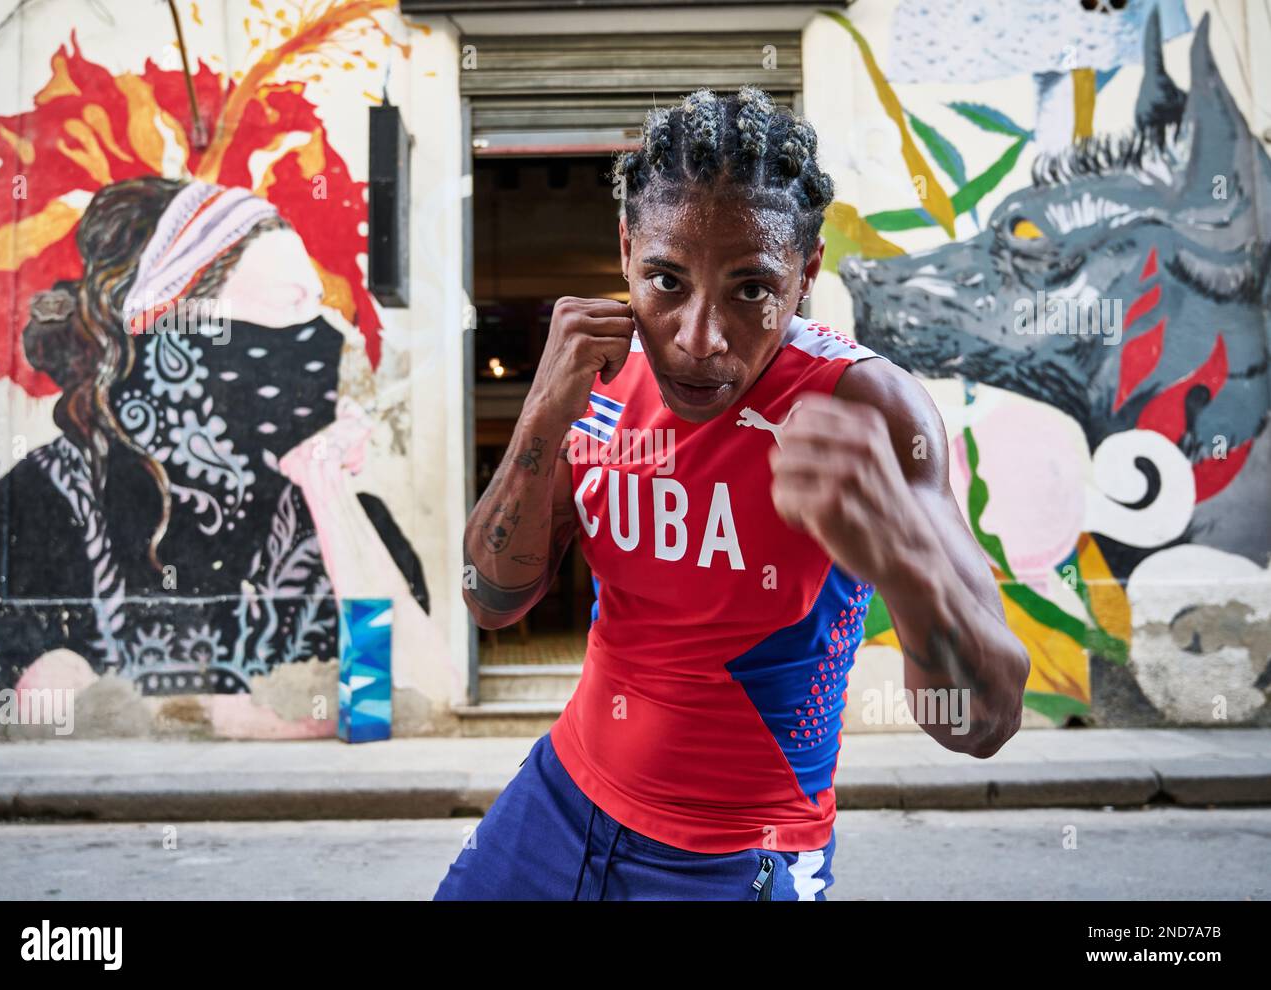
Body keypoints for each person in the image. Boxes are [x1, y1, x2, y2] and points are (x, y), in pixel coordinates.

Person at [434, 87, 1030, 900]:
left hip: (741, 857)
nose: (697, 338)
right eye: (666, 281)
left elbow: (981, 724)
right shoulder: (600, 373)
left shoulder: (864, 406)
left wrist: (901, 553)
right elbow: (490, 601)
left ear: (806, 272)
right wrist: (542, 411)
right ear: (624, 251)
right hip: (558, 800)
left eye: (751, 289)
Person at [0, 176, 446, 705]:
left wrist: (327, 491)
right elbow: (60, 713)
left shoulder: (353, 523)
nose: (328, 333)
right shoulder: (41, 504)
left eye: (319, 304)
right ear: (171, 334)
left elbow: (398, 699)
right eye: (291, 302)